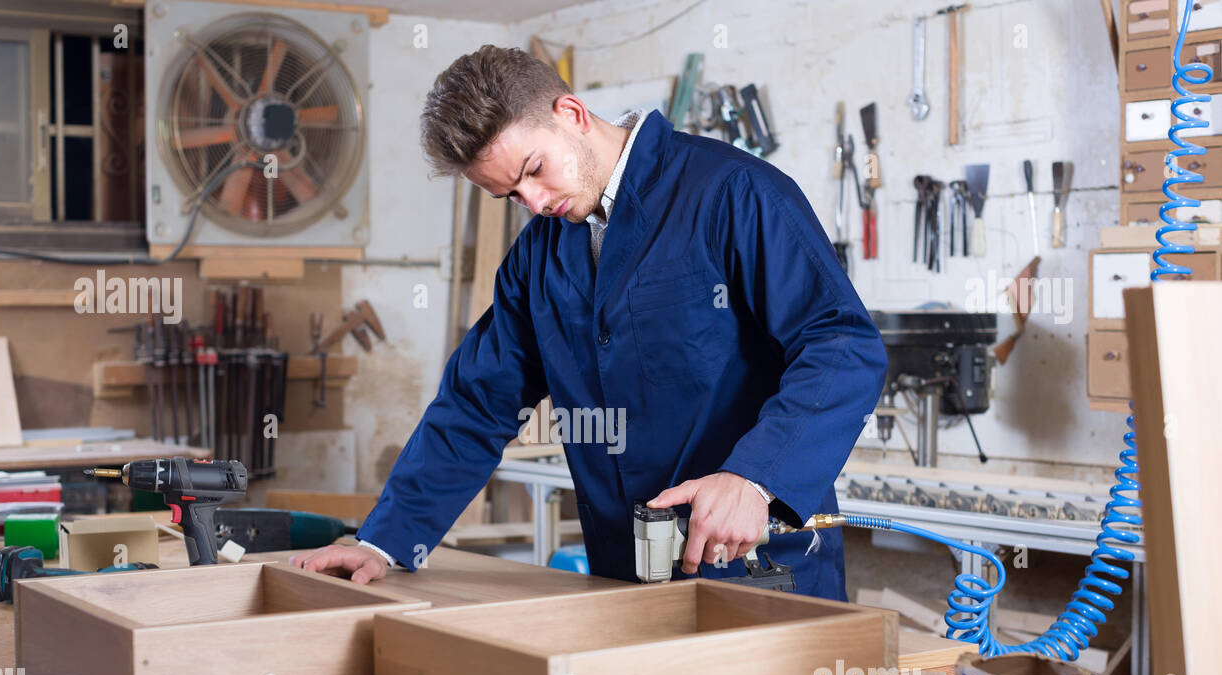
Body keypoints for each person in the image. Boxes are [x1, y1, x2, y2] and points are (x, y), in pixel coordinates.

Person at [293, 45, 886, 600]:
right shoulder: (537, 259)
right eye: (510, 195)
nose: (533, 202)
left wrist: (755, 480)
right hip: (622, 577)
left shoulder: (733, 193)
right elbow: (476, 404)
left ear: (571, 113)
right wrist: (382, 540)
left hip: (757, 565)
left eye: (534, 169)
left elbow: (842, 345)